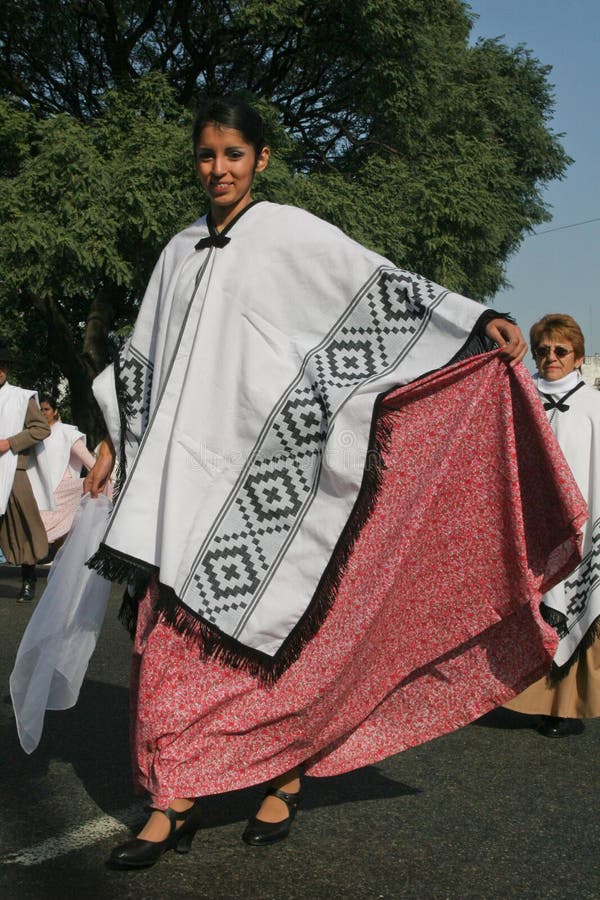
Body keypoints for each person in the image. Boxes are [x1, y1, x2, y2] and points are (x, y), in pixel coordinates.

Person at [80, 97, 581, 870]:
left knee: (278, 647)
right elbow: (145, 365)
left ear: (261, 159)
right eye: (207, 155)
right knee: (170, 642)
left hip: (268, 472)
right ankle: (171, 799)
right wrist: (116, 442)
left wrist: (478, 322)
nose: (218, 169)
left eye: (233, 154)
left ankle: (282, 774)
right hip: (184, 479)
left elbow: (382, 289)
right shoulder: (177, 253)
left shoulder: (290, 234)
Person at [506, 314, 600, 737]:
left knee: (571, 602)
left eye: (561, 350)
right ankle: (518, 696)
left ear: (578, 357)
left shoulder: (594, 406)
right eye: (543, 350)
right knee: (527, 606)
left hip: (579, 527)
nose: (551, 357)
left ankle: (563, 706)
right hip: (527, 523)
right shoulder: (519, 397)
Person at [0, 342, 53, 602]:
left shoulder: (21, 397)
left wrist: (10, 442)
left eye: (2, 366)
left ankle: (29, 580)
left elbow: (41, 429)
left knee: (23, 525)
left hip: (13, 470)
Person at [37, 396, 98, 547]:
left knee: (62, 536)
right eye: (40, 409)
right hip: (42, 490)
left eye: (46, 409)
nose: (43, 412)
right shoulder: (35, 434)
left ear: (55, 411)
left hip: (65, 491)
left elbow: (91, 464)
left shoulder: (67, 432)